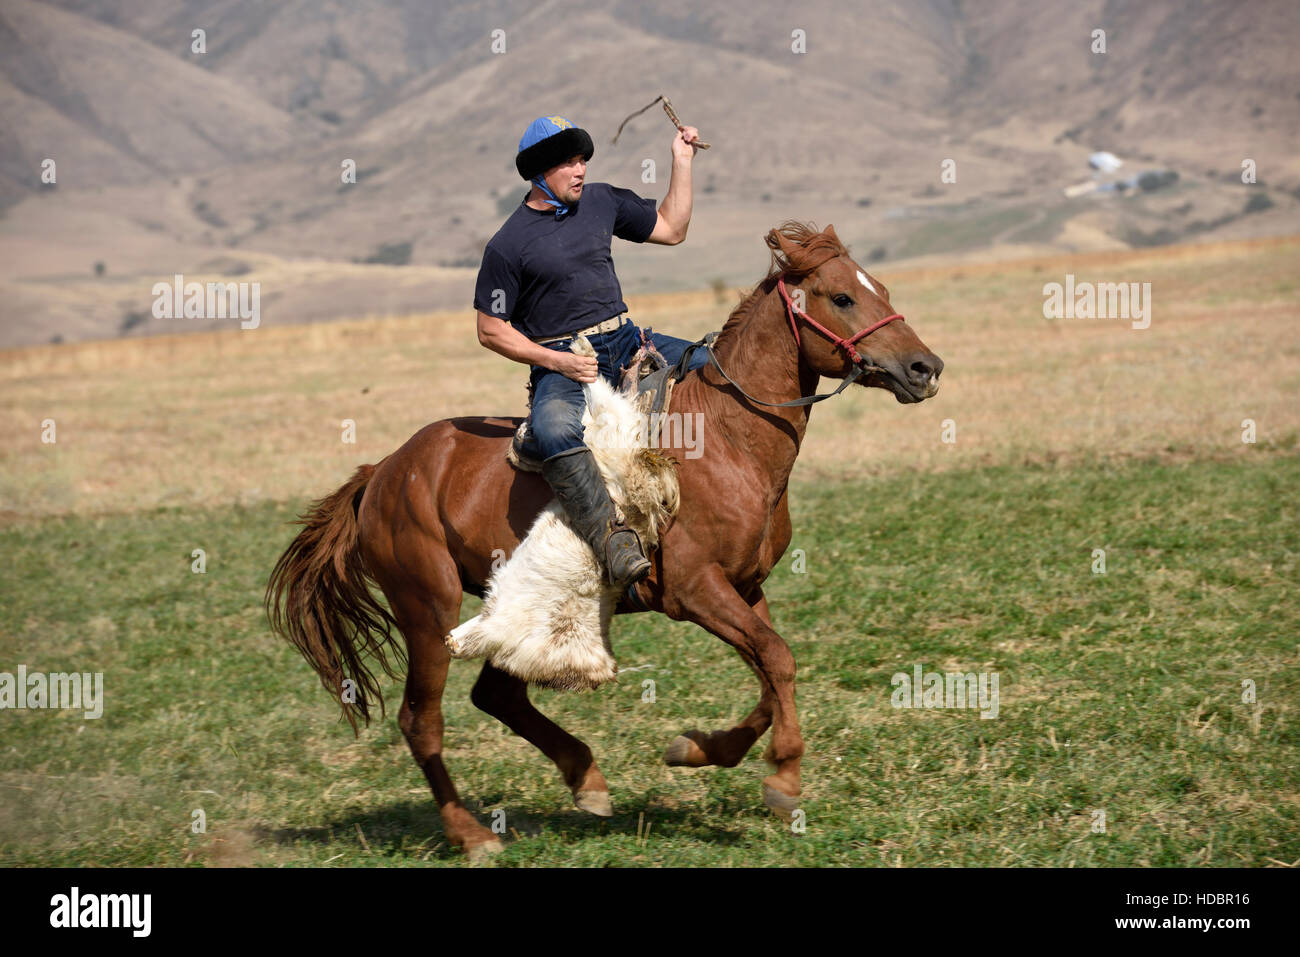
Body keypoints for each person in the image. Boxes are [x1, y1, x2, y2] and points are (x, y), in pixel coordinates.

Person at [473, 114, 708, 590]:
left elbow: (671, 228)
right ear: (539, 172)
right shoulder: (508, 245)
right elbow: (490, 330)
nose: (580, 170)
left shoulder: (602, 201)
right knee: (554, 429)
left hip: (627, 340)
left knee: (713, 366)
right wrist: (555, 361)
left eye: (583, 160)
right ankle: (610, 539)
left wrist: (681, 160)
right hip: (564, 361)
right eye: (568, 162)